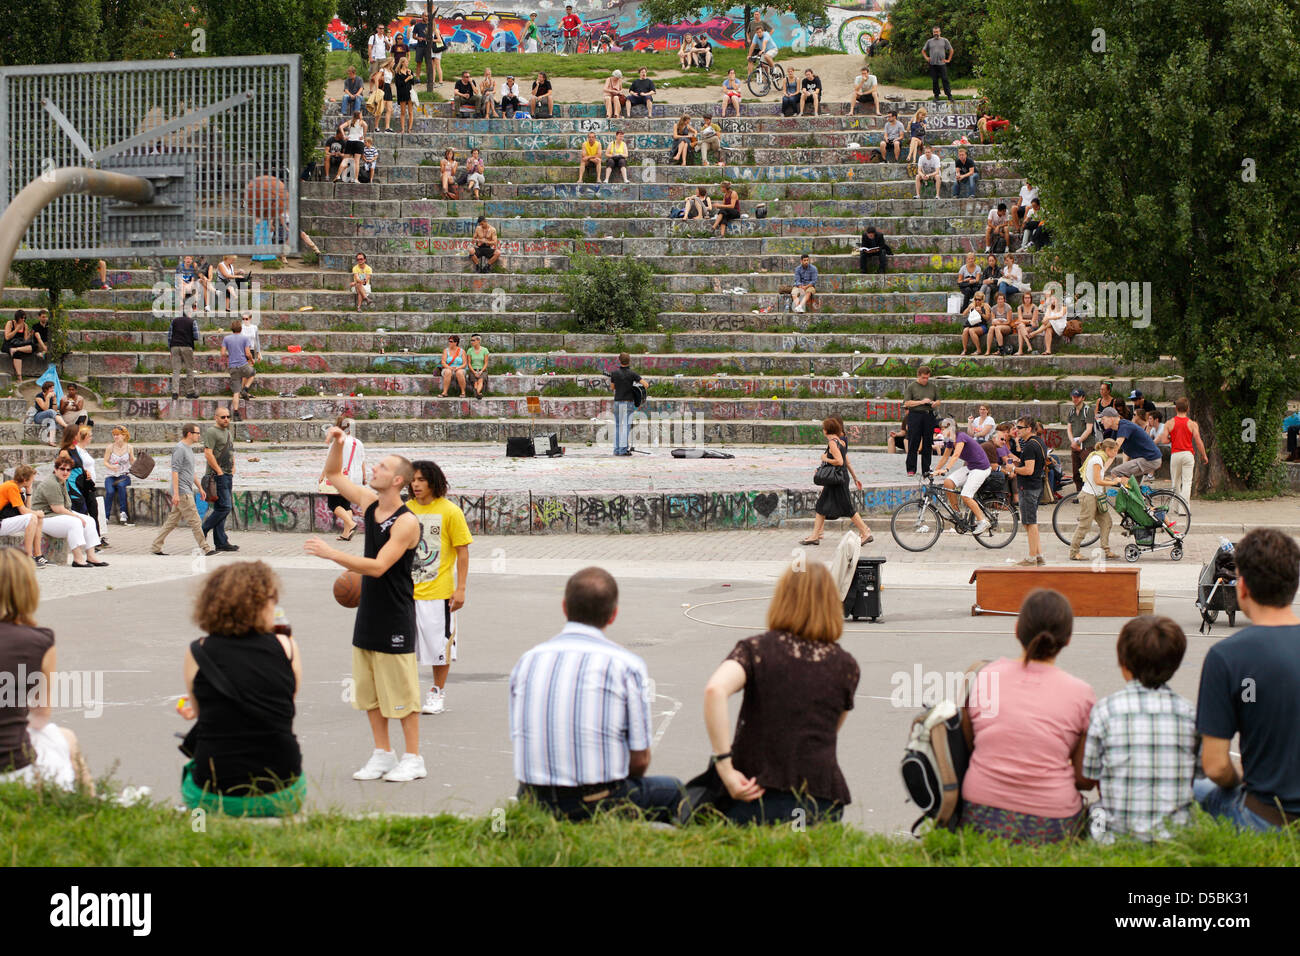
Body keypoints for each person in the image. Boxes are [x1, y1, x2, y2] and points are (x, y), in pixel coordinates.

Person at [509, 567, 684, 821]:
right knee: (674, 791)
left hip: (532, 796)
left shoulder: (527, 661)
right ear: (613, 615)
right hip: (597, 799)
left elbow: (521, 735)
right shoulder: (626, 665)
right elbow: (640, 758)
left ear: (564, 608)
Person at [701, 562, 859, 825]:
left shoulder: (756, 650)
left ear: (782, 600)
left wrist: (725, 767)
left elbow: (715, 690)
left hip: (755, 794)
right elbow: (829, 730)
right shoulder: (847, 666)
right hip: (820, 798)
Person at [305, 430, 423, 782]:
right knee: (369, 692)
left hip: (396, 615)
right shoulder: (371, 504)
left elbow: (379, 566)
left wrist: (332, 554)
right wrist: (338, 443)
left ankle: (414, 758)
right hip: (369, 612)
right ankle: (383, 753)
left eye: (382, 467)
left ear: (397, 479)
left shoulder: (406, 521)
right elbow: (335, 476)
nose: (374, 468)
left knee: (402, 694)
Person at [962, 589, 1095, 843]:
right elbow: (1083, 779)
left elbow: (969, 745)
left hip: (980, 812)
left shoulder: (984, 676)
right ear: (1067, 639)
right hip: (1053, 821)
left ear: (1016, 629)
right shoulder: (1082, 693)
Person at [176, 560, 303, 815]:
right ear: (262, 604)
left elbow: (202, 713)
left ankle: (197, 830)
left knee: (190, 775)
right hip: (282, 787)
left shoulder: (197, 651)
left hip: (215, 788)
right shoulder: (287, 647)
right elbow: (285, 702)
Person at [1194, 528, 1300, 830]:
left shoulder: (1226, 656)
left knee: (1191, 788)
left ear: (1242, 589)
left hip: (1265, 816)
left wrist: (1239, 782)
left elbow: (1215, 765)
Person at [1080, 616, 1197, 842]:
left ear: (1123, 662)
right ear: (1175, 665)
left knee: (1094, 811)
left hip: (1116, 834)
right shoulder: (1189, 713)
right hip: (1176, 836)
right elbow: (1195, 775)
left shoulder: (1105, 711)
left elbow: (1091, 773)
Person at [0, 550, 92, 790]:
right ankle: (88, 812)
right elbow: (40, 715)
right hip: (13, 767)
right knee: (66, 738)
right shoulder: (39, 641)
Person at [405, 459, 472, 716]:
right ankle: (404, 693)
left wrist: (461, 588)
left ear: (434, 481)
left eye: (421, 479)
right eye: (413, 479)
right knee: (401, 648)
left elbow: (462, 551)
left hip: (438, 594)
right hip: (405, 593)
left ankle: (436, 693)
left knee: (438, 651)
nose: (416, 484)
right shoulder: (404, 511)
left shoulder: (450, 511)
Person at [800, 417, 873, 545]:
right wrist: (855, 477)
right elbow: (845, 461)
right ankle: (815, 535)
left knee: (847, 508)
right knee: (821, 506)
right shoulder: (841, 441)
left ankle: (865, 533)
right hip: (838, 479)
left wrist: (825, 458)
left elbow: (839, 461)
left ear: (826, 430)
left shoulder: (833, 443)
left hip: (837, 479)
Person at [31, 454, 107, 567]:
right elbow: (57, 508)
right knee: (75, 522)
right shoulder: (51, 483)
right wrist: (77, 517)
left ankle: (91, 556)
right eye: (62, 469)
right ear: (55, 469)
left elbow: (63, 508)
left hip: (57, 514)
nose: (65, 472)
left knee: (90, 520)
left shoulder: (62, 481)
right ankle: (78, 558)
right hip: (45, 518)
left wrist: (79, 517)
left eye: (68, 469)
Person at [150, 422, 214, 557]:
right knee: (195, 520)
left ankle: (156, 546)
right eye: (197, 433)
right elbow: (175, 471)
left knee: (171, 522)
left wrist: (200, 488)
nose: (199, 435)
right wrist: (176, 494)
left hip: (186, 489)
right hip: (183, 491)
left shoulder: (188, 449)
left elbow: (191, 472)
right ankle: (206, 548)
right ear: (189, 434)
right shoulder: (179, 448)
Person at [932, 417, 992, 534]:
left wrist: (946, 469)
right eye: (941, 428)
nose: (942, 431)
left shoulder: (961, 437)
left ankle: (983, 521)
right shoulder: (950, 440)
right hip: (971, 467)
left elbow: (956, 455)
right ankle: (957, 513)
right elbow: (945, 457)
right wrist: (935, 471)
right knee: (948, 482)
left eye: (944, 428)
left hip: (981, 468)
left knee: (966, 495)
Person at [1068, 438, 1123, 560]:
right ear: (1108, 449)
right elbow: (1097, 480)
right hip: (1089, 496)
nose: (1116, 454)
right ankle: (1074, 552)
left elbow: (1096, 478)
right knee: (1085, 525)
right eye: (1115, 451)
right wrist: (1113, 483)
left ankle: (1106, 550)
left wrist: (1109, 480)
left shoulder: (1100, 458)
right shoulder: (1097, 459)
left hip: (1096, 496)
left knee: (1106, 522)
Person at [317, 415, 366, 541]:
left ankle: (351, 524)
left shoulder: (338, 442)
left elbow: (330, 461)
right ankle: (346, 533)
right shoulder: (358, 442)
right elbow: (362, 461)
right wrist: (364, 477)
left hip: (340, 476)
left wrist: (322, 476)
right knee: (346, 504)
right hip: (354, 478)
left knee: (333, 504)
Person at [1009, 417, 1047, 565]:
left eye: (1020, 427)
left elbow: (1029, 470)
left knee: (1030, 523)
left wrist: (1013, 468)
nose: (1017, 430)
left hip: (1029, 487)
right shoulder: (1038, 442)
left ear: (1029, 429)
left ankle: (1031, 558)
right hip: (1036, 486)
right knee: (1030, 522)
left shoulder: (1030, 445)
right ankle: (1038, 555)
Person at [1155, 397, 1208, 501]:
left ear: (1176, 409)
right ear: (1187, 409)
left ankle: (1176, 505)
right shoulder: (1192, 424)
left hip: (1175, 454)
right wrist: (1204, 454)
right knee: (1187, 482)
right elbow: (1198, 441)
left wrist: (1172, 438)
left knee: (1176, 482)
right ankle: (1185, 507)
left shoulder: (1169, 423)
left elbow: (1164, 440)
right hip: (1188, 454)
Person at [201, 407, 238, 553]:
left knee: (220, 508)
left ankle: (221, 542)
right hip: (217, 476)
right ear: (216, 417)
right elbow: (208, 453)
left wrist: (233, 466)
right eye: (223, 417)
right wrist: (219, 471)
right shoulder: (212, 432)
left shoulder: (228, 432)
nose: (226, 419)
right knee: (225, 507)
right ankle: (202, 530)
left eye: (228, 416)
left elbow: (230, 450)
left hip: (227, 474)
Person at [1099, 406, 1162, 481]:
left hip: (1149, 459)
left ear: (1111, 418)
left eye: (1103, 419)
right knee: (1133, 488)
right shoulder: (1116, 430)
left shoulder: (1124, 426)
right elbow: (1108, 450)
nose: (1101, 422)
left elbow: (1114, 450)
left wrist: (1102, 471)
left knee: (1116, 472)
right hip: (1145, 459)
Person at [0, 466, 46, 566]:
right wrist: (37, 513)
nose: (32, 482)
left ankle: (38, 555)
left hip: (5, 520)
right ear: (25, 480)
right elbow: (24, 511)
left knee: (37, 518)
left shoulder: (17, 488)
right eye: (32, 480)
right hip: (1, 522)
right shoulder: (11, 487)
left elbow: (27, 508)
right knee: (32, 517)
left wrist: (29, 493)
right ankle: (28, 557)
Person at [902, 366, 940, 477]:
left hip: (928, 415)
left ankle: (926, 469)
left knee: (928, 443)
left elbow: (938, 400)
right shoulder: (911, 387)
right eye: (923, 378)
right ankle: (911, 468)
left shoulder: (932, 387)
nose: (925, 380)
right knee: (914, 441)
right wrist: (921, 402)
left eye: (927, 378)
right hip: (915, 415)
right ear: (918, 376)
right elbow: (907, 403)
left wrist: (934, 403)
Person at [608, 352, 642, 457]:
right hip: (628, 403)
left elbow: (612, 388)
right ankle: (623, 450)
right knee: (626, 426)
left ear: (619, 360)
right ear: (629, 361)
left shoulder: (614, 373)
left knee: (618, 426)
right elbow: (646, 384)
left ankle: (617, 450)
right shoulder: (632, 374)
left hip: (618, 402)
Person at [220, 318, 254, 422]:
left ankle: (235, 412)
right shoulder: (245, 338)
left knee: (236, 391)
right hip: (243, 365)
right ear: (240, 328)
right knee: (252, 373)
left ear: (232, 329)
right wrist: (252, 360)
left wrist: (229, 356)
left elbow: (222, 353)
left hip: (232, 366)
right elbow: (248, 353)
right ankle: (246, 389)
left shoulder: (226, 339)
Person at [102, 426, 134, 527]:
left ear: (123, 436)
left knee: (121, 486)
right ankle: (105, 517)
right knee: (110, 492)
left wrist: (139, 464)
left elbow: (132, 460)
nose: (115, 437)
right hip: (111, 475)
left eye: (117, 435)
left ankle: (123, 513)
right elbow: (105, 461)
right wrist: (111, 467)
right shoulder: (110, 447)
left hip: (123, 475)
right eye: (114, 435)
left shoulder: (129, 447)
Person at [1066, 387, 1096, 490]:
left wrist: (1078, 441)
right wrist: (1073, 442)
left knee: (1086, 470)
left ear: (1083, 398)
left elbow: (1089, 429)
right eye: (1073, 397)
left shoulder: (1088, 410)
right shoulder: (1071, 411)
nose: (1075, 399)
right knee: (1076, 471)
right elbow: (1069, 428)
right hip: (1075, 444)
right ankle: (1078, 491)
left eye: (1077, 397)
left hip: (1087, 445)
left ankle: (1088, 492)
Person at [3, 311, 40, 384]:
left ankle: (16, 349)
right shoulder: (10, 323)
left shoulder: (25, 325)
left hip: (18, 344)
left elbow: (25, 340)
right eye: (22, 318)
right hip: (9, 344)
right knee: (17, 353)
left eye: (25, 318)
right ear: (17, 317)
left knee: (34, 346)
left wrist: (30, 335)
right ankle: (19, 377)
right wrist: (17, 329)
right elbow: (7, 337)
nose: (23, 320)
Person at [921, 24, 954, 102]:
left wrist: (948, 59)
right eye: (934, 32)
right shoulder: (929, 41)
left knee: (945, 79)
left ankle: (949, 95)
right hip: (933, 64)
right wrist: (926, 58)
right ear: (932, 33)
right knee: (935, 80)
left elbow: (951, 50)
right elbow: (923, 50)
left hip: (942, 64)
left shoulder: (944, 40)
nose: (936, 33)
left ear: (940, 32)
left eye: (937, 32)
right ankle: (936, 96)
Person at [339, 111, 366, 183]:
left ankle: (339, 176)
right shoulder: (361, 122)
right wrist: (363, 136)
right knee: (356, 161)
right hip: (358, 142)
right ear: (359, 115)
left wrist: (344, 136)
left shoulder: (350, 121)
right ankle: (355, 179)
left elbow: (341, 127)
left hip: (350, 141)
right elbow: (366, 126)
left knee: (345, 160)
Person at [393, 58, 416, 133]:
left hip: (409, 93)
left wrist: (410, 75)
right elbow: (398, 84)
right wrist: (407, 78)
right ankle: (402, 129)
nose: (407, 63)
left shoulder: (409, 71)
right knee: (403, 112)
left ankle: (410, 128)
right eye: (406, 62)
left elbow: (413, 82)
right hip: (402, 93)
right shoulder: (398, 73)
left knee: (410, 112)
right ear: (402, 63)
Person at [466, 333, 490, 398]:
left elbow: (486, 363)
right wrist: (474, 372)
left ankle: (477, 392)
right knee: (475, 382)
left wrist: (481, 371)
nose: (471, 342)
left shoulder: (485, 350)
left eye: (473, 340)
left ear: (478, 341)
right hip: (473, 370)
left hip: (482, 370)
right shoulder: (469, 350)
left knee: (480, 380)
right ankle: (478, 393)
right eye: (471, 340)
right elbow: (469, 363)